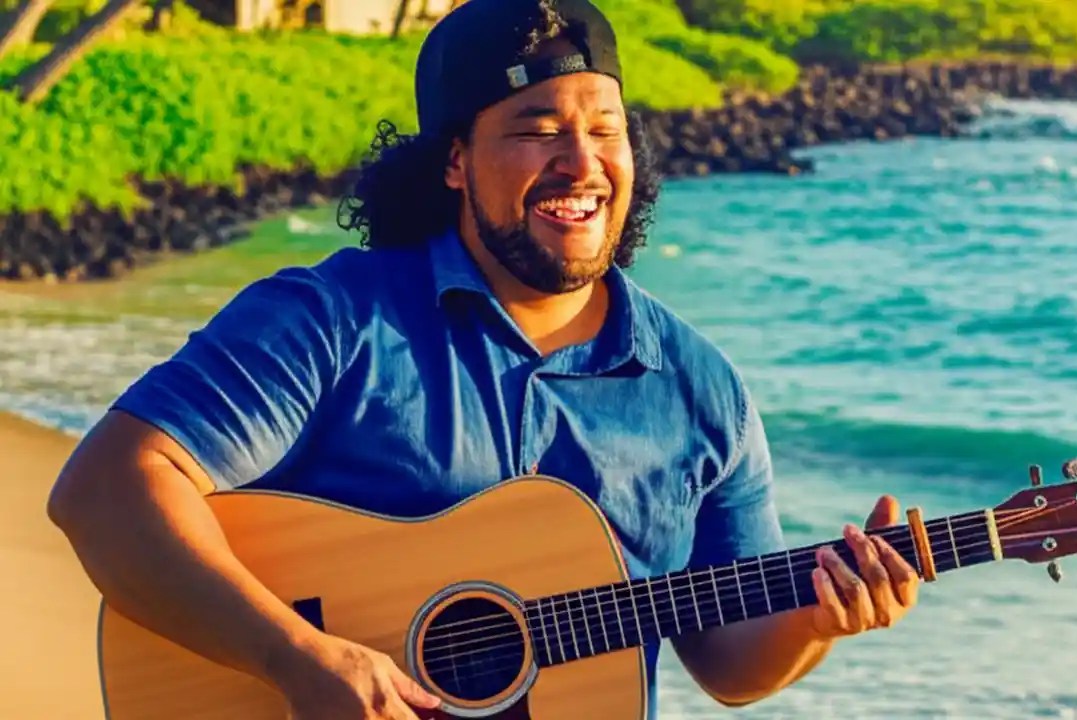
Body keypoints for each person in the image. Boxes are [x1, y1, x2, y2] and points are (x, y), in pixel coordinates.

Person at [46, 0, 919, 718]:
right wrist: (294, 655)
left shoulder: (700, 390)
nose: (582, 164)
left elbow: (729, 664)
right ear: (456, 162)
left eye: (605, 130)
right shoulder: (334, 318)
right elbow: (108, 488)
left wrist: (820, 618)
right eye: (537, 130)